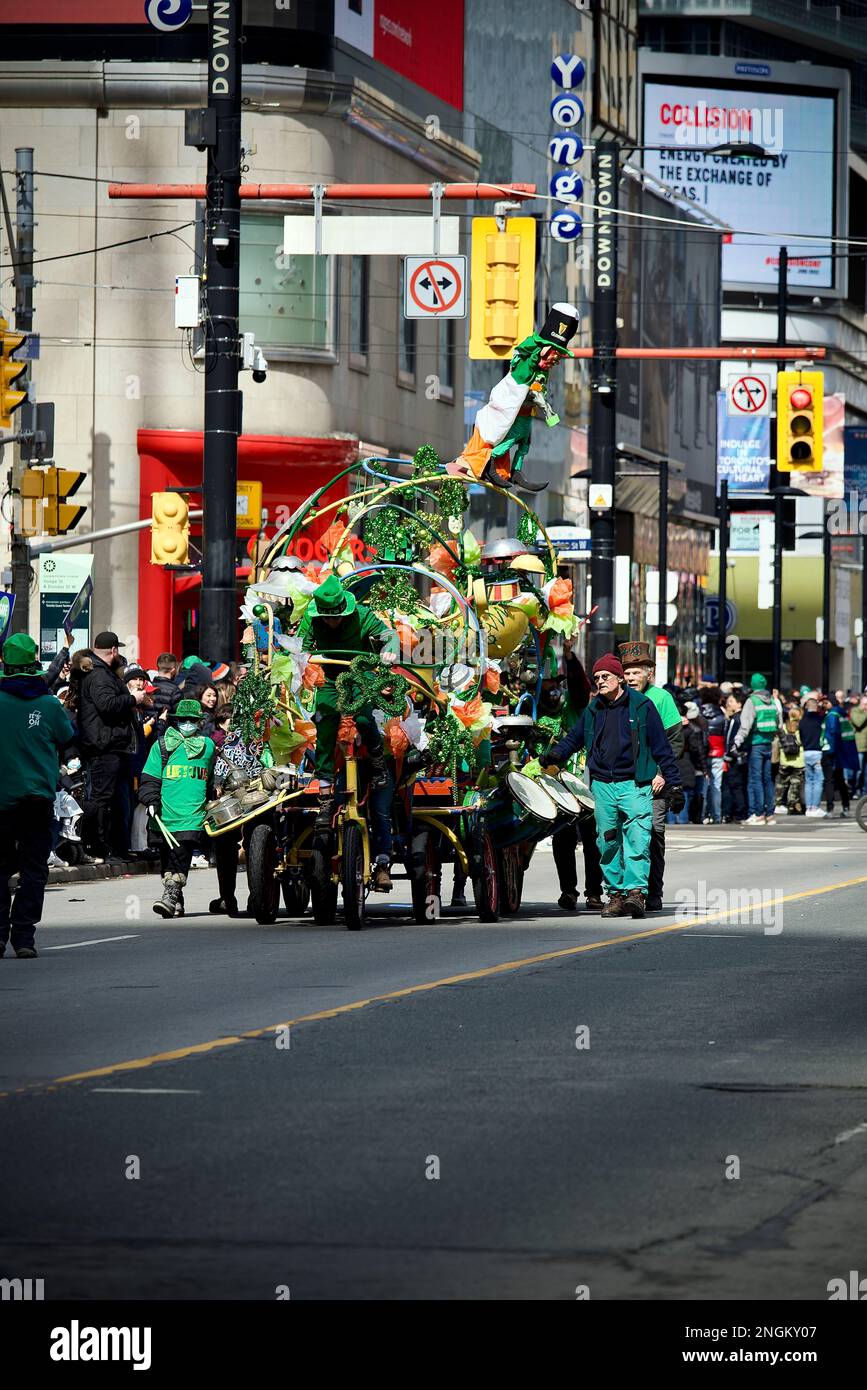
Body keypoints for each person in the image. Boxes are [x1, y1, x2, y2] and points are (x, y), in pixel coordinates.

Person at [544, 653, 681, 919]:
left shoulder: (642, 706)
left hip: (635, 784)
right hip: (603, 786)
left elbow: (662, 747)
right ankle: (615, 895)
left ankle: (636, 893)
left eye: (605, 676)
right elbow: (574, 739)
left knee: (637, 839)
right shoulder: (593, 709)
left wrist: (674, 784)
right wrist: (554, 756)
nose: (600, 681)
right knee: (607, 842)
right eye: (596, 677)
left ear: (619, 678)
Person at [298, 573, 396, 891]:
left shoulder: (362, 615)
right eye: (327, 618)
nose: (332, 623)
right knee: (325, 723)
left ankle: (378, 761)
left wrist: (389, 650)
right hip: (328, 679)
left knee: (364, 719)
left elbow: (388, 635)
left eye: (336, 617)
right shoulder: (311, 620)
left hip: (360, 675)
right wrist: (296, 660)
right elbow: (299, 648)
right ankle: (326, 795)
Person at [0, 634, 75, 958]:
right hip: (36, 798)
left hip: (2, 799)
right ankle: (24, 937)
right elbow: (68, 737)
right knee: (33, 869)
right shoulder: (48, 704)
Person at [620, 641, 684, 910]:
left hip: (655, 782)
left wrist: (661, 774)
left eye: (637, 672)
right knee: (624, 836)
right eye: (627, 672)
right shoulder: (617, 699)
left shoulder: (662, 698)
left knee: (654, 833)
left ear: (649, 673)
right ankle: (627, 891)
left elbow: (675, 741)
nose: (631, 677)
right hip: (625, 780)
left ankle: (653, 890)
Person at [138, 699, 216, 918]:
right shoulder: (161, 745)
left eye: (192, 720)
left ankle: (170, 898)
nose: (188, 723)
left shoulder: (208, 746)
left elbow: (210, 779)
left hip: (192, 814)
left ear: (199, 722)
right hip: (164, 814)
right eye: (183, 719)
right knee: (167, 859)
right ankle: (177, 902)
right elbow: (150, 778)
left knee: (181, 855)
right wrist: (151, 801)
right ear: (177, 720)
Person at [76, 632, 148, 861]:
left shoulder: (102, 672)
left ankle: (115, 848)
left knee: (115, 801)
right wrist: (133, 699)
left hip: (110, 744)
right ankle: (96, 846)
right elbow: (107, 704)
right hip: (104, 746)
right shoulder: (99, 675)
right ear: (114, 650)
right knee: (102, 800)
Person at [545, 642, 605, 913]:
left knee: (593, 840)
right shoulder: (535, 709)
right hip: (555, 786)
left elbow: (580, 687)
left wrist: (570, 658)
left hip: (584, 782)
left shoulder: (575, 704)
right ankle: (568, 890)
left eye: (553, 685)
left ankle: (594, 892)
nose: (550, 691)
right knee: (563, 839)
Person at [733, 672, 784, 825]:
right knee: (768, 779)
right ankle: (770, 815)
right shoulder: (772, 701)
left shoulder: (752, 701)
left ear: (753, 685)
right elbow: (779, 724)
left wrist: (737, 741)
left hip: (755, 744)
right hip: (769, 744)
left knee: (755, 780)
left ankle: (758, 814)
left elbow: (745, 725)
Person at [822, 693, 859, 817]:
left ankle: (830, 810)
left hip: (831, 751)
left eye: (825, 702)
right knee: (840, 780)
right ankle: (846, 807)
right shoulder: (841, 713)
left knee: (829, 781)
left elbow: (833, 733)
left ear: (830, 703)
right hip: (840, 751)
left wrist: (831, 752)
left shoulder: (832, 715)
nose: (823, 705)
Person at [721, 694, 748, 823]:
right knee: (741, 785)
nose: (728, 704)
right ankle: (742, 811)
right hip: (741, 756)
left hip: (735, 757)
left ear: (739, 704)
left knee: (735, 785)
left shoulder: (735, 719)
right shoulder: (742, 718)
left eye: (731, 701)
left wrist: (728, 755)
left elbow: (729, 740)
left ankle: (739, 812)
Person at [775, 709, 805, 815]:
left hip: (785, 759)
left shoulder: (783, 727)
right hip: (799, 760)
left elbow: (779, 742)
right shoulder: (801, 727)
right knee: (795, 785)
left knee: (781, 783)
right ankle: (791, 805)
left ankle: (778, 803)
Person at [849, 694, 867, 796]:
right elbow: (858, 722)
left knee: (866, 772)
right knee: (858, 771)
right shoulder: (855, 711)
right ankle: (854, 790)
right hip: (859, 746)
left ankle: (864, 792)